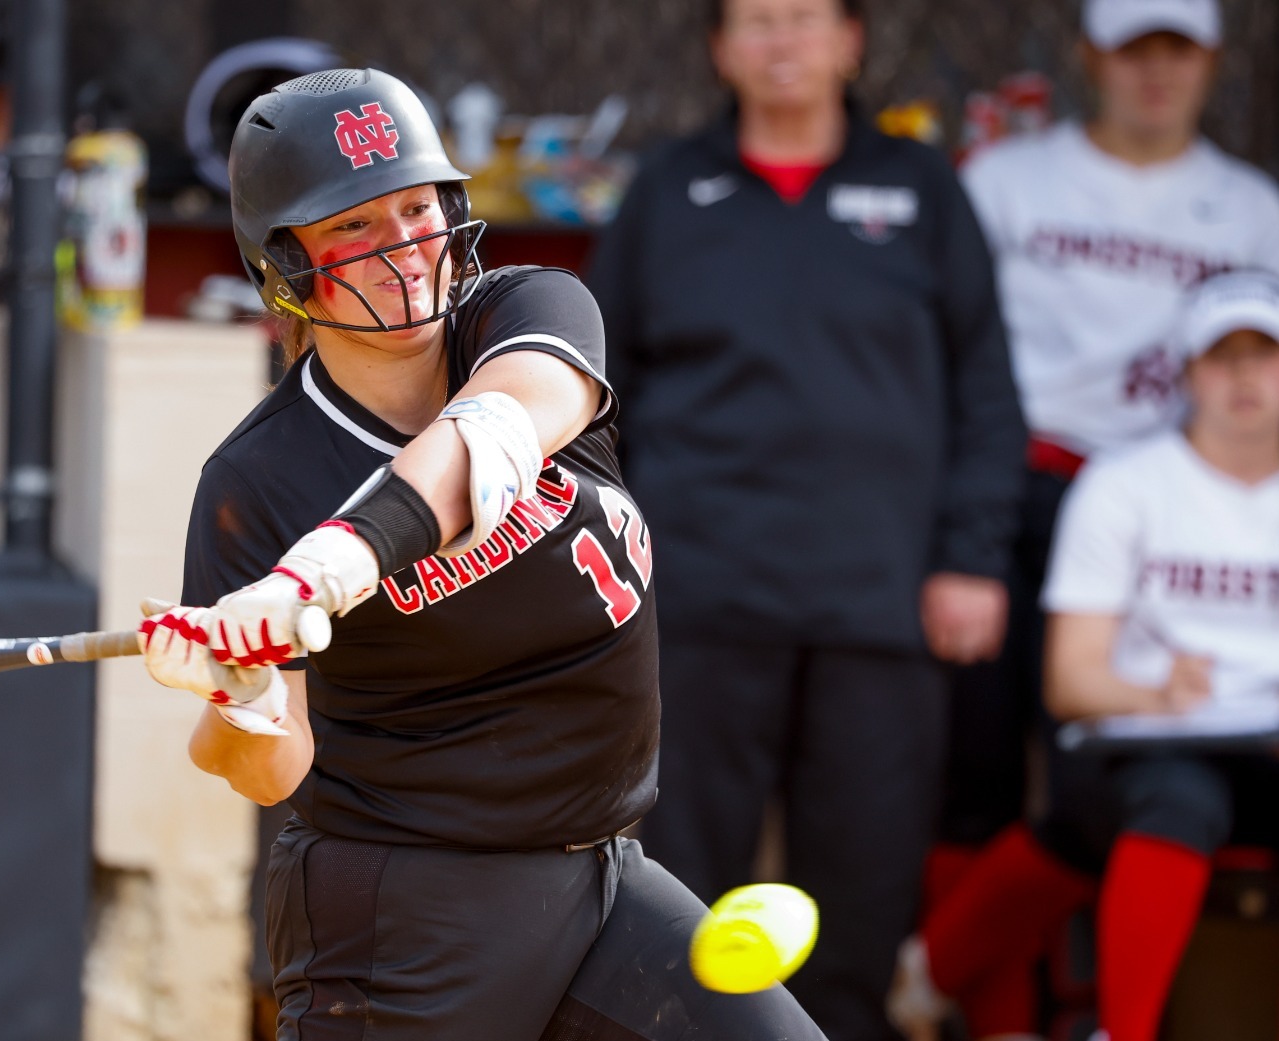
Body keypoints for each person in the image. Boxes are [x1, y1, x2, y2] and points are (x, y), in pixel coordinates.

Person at [136, 68, 828, 1041]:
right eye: (353, 229)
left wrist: (330, 562)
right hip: (406, 912)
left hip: (603, 879)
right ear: (285, 266)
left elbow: (493, 432)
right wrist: (240, 690)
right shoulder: (259, 479)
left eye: (415, 209)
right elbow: (267, 772)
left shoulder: (524, 315)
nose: (403, 251)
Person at [586, 0, 1026, 1037]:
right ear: (719, 48)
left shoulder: (922, 191)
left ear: (849, 40)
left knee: (861, 888)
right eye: (755, 19)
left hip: (878, 602)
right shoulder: (664, 193)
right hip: (696, 600)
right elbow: (596, 396)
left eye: (802, 16)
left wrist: (970, 559)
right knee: (676, 889)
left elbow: (986, 391)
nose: (780, 39)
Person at [890, 2, 1279, 1037]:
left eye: (1177, 52)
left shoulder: (1250, 209)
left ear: (1209, 62)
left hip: (1168, 495)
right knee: (975, 771)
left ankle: (1027, 994)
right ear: (1089, 57)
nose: (1154, 75)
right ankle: (986, 1013)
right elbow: (950, 346)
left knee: (1100, 780)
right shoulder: (1008, 180)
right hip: (1011, 484)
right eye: (1131, 50)